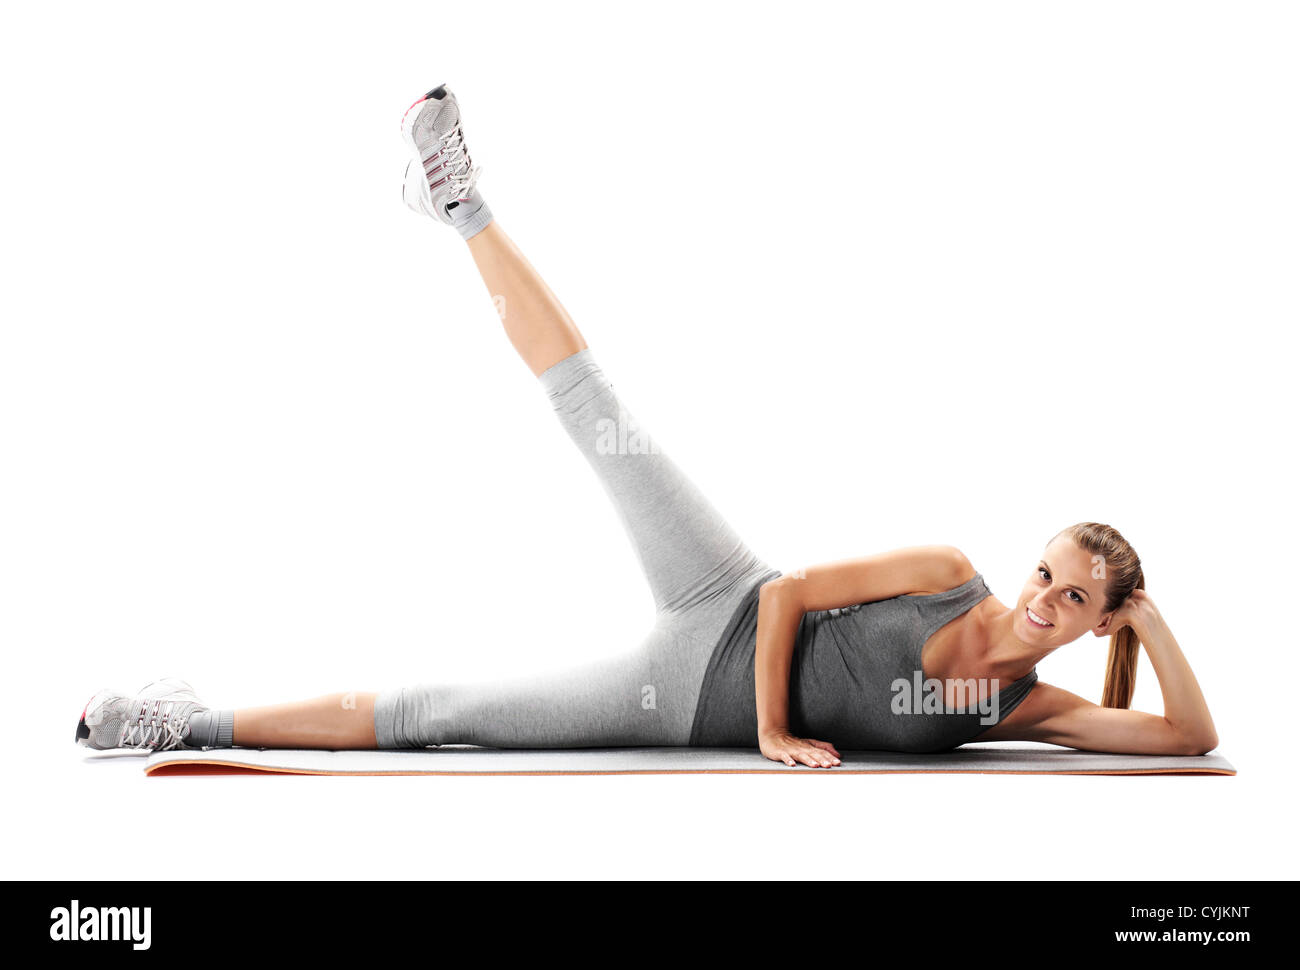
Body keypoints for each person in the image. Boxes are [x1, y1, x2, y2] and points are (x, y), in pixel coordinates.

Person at [75, 85, 1219, 768]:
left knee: (442, 715)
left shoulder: (1039, 706)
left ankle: (180, 721)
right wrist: (773, 727)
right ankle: (458, 200)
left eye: (1073, 596)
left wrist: (1151, 625)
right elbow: (785, 596)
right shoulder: (948, 573)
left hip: (672, 701)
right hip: (723, 590)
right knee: (597, 410)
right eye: (1048, 568)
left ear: (1095, 620)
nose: (1040, 595)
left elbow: (1187, 742)